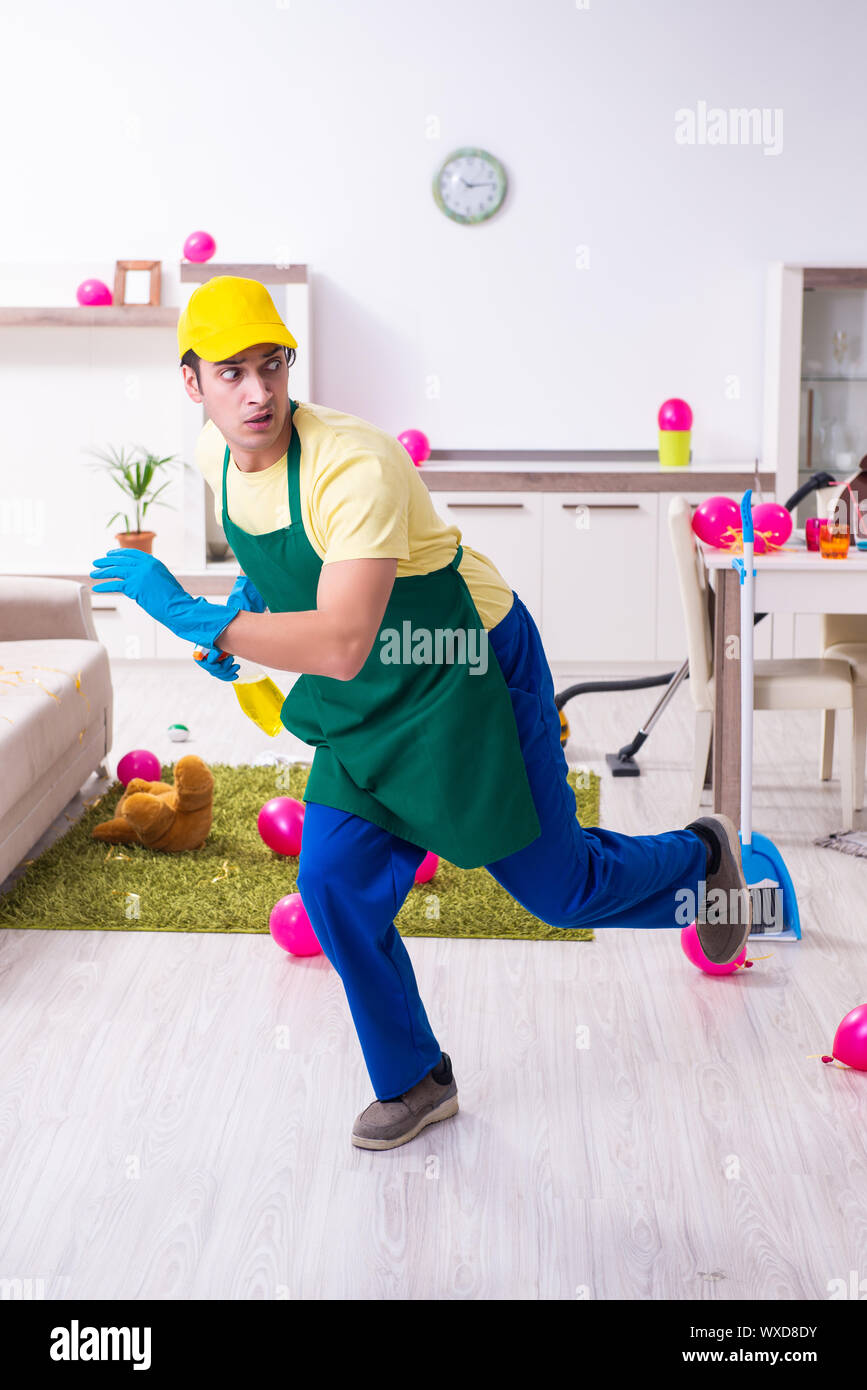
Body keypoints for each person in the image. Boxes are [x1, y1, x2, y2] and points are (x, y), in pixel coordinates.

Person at [90, 276, 753, 1152]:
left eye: (271, 366)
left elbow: (339, 639)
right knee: (331, 882)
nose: (256, 392)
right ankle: (414, 1079)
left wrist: (191, 614)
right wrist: (243, 613)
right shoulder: (226, 460)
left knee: (561, 892)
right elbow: (294, 578)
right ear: (192, 383)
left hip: (461, 672)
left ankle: (704, 855)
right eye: (230, 373)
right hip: (368, 701)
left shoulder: (353, 462)